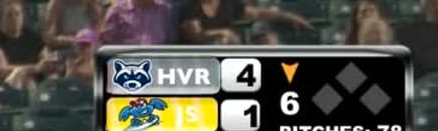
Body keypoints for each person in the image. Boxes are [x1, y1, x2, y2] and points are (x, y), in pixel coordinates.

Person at [0, 0, 56, 89]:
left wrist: (48, 64)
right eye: (9, 15)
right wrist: (33, 68)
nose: (14, 18)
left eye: (17, 14)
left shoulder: (33, 37)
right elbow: (1, 70)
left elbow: (45, 57)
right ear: (1, 18)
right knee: (22, 76)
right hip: (6, 84)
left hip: (36, 82)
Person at [179, 0, 310, 44]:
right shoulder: (191, 7)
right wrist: (223, 33)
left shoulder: (228, 3)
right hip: (204, 58)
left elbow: (257, 13)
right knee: (223, 40)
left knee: (269, 40)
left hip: (233, 48)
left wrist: (287, 16)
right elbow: (195, 34)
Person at [100, 0, 171, 44]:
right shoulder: (118, 10)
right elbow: (106, 41)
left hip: (157, 62)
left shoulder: (164, 10)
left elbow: (170, 41)